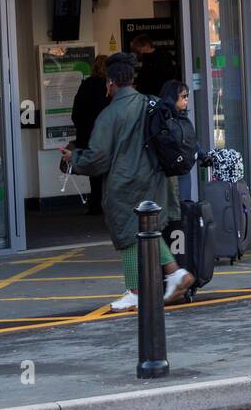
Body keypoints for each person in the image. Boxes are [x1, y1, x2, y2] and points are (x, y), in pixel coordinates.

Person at [62, 52, 194, 311]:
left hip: (126, 183)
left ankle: (136, 291)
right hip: (156, 180)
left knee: (127, 233)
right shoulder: (152, 103)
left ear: (110, 83)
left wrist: (73, 157)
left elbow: (98, 158)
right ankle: (175, 273)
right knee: (147, 231)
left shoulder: (110, 115)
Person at [71, 54, 109, 215]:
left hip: (88, 135)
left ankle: (95, 204)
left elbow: (76, 113)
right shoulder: (109, 87)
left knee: (94, 171)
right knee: (109, 170)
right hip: (106, 135)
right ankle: (106, 204)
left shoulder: (85, 86)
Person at [159, 79, 197, 203]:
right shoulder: (163, 120)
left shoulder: (182, 117)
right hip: (170, 173)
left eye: (188, 95)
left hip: (183, 169)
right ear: (172, 97)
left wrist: (202, 155)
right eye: (183, 96)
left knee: (185, 207)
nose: (186, 99)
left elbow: (191, 141)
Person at [132, 33, 177, 98]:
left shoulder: (151, 60)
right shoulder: (163, 56)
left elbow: (147, 78)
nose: (139, 52)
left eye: (139, 49)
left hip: (155, 95)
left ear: (146, 46)